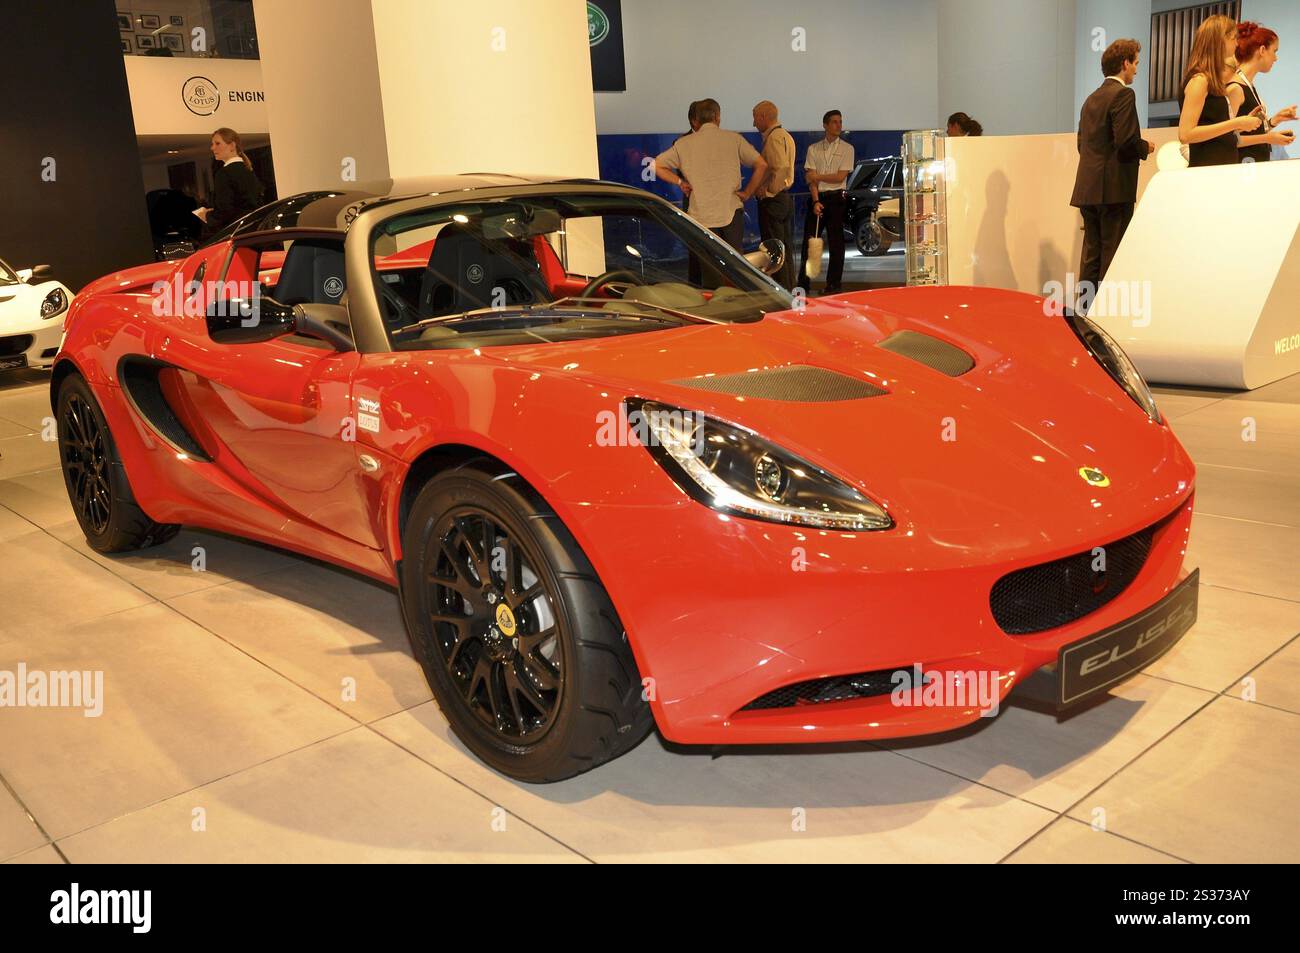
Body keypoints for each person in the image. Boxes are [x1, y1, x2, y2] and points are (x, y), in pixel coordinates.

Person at [1070, 38, 1155, 296]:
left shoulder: (1090, 99)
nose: (1137, 70)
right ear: (1125, 63)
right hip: (1115, 190)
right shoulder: (1124, 94)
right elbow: (1126, 140)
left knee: (1091, 256)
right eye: (1136, 64)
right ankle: (1107, 321)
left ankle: (1084, 319)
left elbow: (1081, 143)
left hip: (1088, 189)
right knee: (1113, 255)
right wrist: (1145, 147)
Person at [653, 99, 767, 253]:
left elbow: (656, 165)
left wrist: (680, 182)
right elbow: (762, 165)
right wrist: (747, 193)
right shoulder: (734, 139)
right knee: (734, 268)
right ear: (717, 116)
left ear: (696, 120)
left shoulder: (683, 143)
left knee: (709, 269)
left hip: (700, 215)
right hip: (730, 212)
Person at [1178, 15, 1261, 167]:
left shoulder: (1210, 81)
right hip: (1207, 170)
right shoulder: (1200, 81)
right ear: (1220, 40)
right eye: (1233, 38)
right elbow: (1185, 134)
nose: (1237, 44)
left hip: (1221, 167)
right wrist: (1235, 122)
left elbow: (1214, 130)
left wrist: (1239, 125)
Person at [798, 109, 854, 295]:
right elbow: (810, 179)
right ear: (825, 125)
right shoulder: (813, 149)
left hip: (837, 198)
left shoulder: (847, 149)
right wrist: (815, 201)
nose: (839, 125)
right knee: (810, 241)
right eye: (834, 122)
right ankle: (803, 284)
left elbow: (840, 177)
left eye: (840, 121)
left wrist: (818, 175)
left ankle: (833, 285)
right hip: (818, 198)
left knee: (836, 243)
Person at [1228, 21, 1297, 163]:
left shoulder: (1248, 86)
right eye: (1274, 51)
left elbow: (1244, 130)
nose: (1275, 58)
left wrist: (1274, 121)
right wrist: (1268, 138)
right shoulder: (1236, 88)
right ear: (1262, 50)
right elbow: (1227, 140)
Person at [752, 100, 796, 289]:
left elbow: (780, 167)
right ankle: (789, 291)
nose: (754, 124)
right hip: (784, 199)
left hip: (774, 201)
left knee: (774, 252)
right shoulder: (785, 136)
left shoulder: (774, 138)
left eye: (755, 118)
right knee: (784, 250)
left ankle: (781, 293)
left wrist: (767, 190)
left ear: (763, 116)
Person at [196, 127, 264, 235]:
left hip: (237, 233)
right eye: (212, 144)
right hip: (254, 230)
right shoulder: (248, 170)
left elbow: (226, 211)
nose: (212, 148)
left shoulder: (224, 173)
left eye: (217, 143)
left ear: (232, 145)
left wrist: (206, 216)